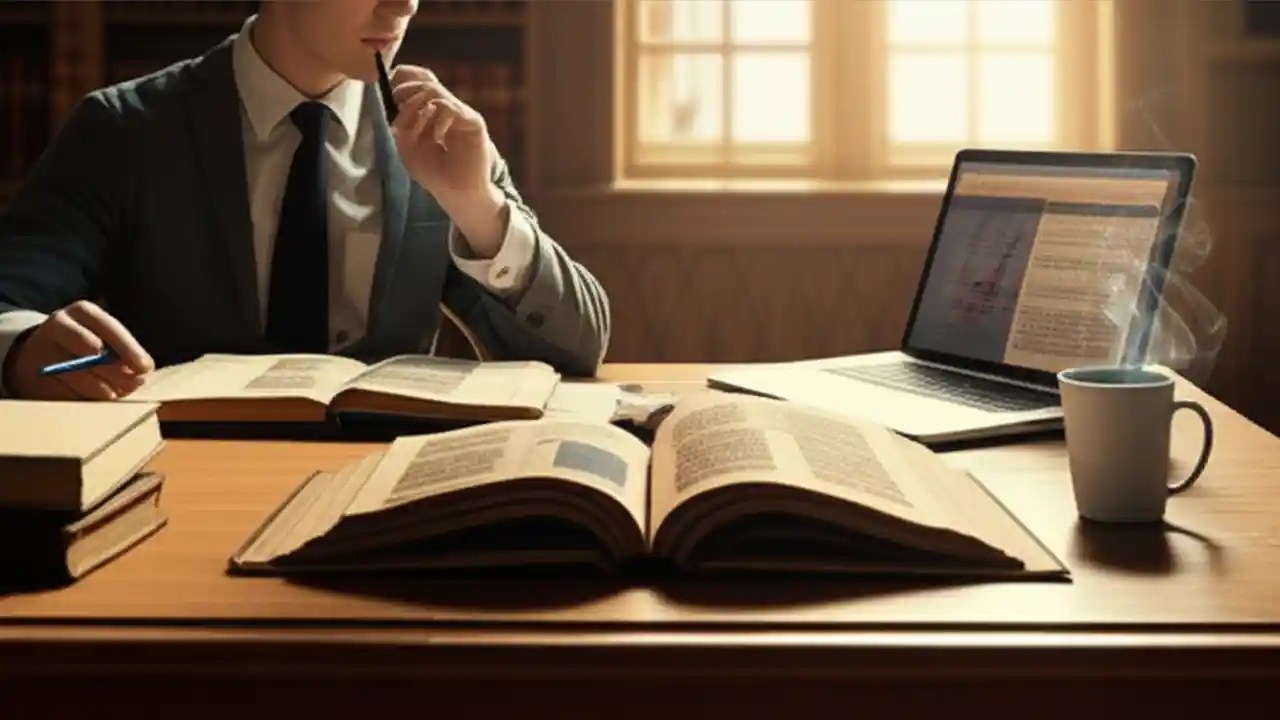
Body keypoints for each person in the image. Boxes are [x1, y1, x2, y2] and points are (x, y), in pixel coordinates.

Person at [0, 0, 610, 401]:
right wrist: (24, 350)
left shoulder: (436, 138)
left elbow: (577, 349)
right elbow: (8, 304)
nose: (403, 5)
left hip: (384, 503)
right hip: (180, 494)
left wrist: (479, 208)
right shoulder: (125, 130)